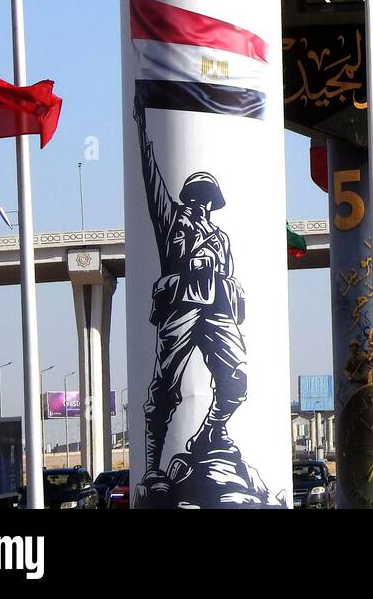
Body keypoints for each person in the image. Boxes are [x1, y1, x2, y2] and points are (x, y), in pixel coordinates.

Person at [134, 93, 248, 496]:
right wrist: (143, 129)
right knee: (165, 388)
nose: (202, 205)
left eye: (207, 200)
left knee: (237, 379)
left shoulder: (220, 238)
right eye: (197, 197)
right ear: (187, 199)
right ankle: (152, 469)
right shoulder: (171, 222)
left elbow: (230, 277)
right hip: (181, 308)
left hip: (216, 311)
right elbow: (152, 181)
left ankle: (206, 437)